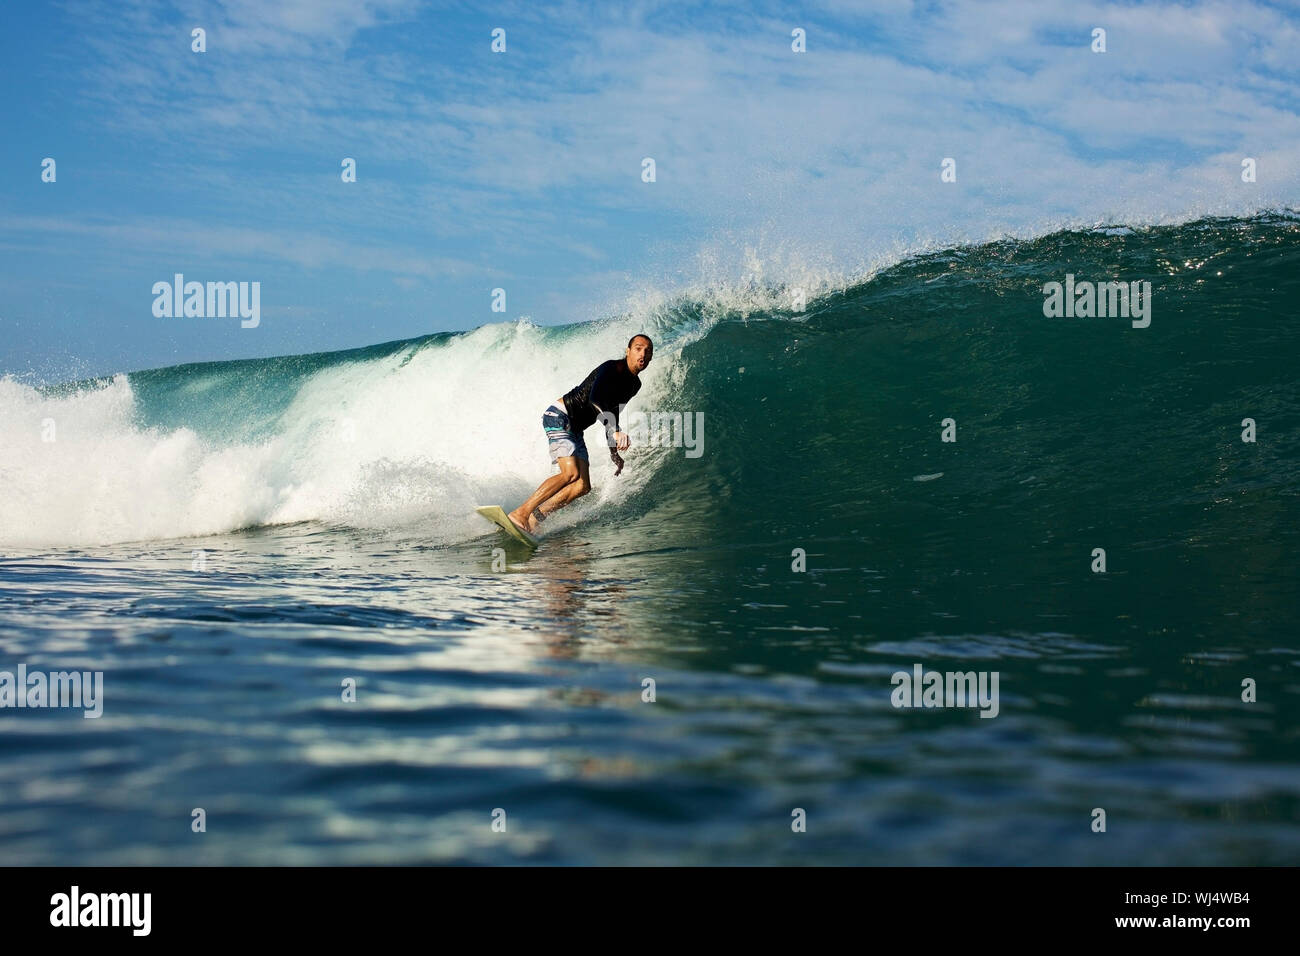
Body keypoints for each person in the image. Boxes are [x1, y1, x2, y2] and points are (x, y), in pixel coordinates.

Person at [507, 334, 653, 535]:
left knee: (582, 486)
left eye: (647, 351)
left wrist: (614, 453)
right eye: (638, 348)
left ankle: (535, 518)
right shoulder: (612, 368)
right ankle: (520, 513)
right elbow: (596, 399)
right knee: (571, 474)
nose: (643, 353)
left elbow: (613, 413)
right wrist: (616, 431)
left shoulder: (634, 385)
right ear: (628, 351)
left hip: (575, 429)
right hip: (560, 416)